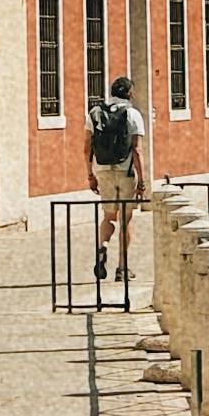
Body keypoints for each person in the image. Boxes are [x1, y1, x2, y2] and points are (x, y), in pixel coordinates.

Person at [87, 71, 144, 280]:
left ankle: (102, 246)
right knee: (126, 219)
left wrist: (90, 175)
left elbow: (87, 147)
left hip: (102, 170)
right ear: (129, 93)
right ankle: (122, 268)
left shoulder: (94, 113)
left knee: (108, 216)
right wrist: (143, 181)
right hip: (125, 171)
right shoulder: (133, 115)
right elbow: (137, 150)